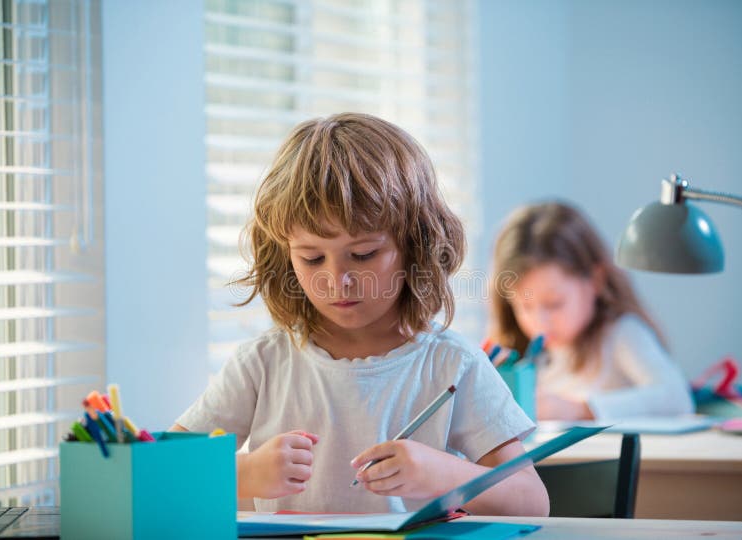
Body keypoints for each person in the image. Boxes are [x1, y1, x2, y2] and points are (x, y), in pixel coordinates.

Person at [171, 113, 548, 516]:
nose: (338, 281)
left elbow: (531, 502)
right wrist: (242, 473)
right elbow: (166, 473)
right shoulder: (262, 364)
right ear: (285, 256)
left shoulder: (452, 364)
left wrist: (445, 474)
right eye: (312, 258)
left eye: (364, 254)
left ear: (415, 245)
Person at [488, 201, 694, 421]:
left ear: (595, 280)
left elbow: (677, 399)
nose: (540, 322)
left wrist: (580, 410)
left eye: (555, 303)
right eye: (524, 306)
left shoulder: (620, 334)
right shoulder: (524, 357)